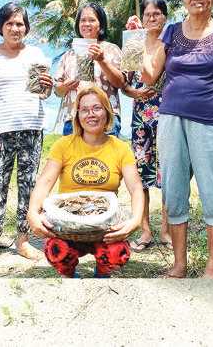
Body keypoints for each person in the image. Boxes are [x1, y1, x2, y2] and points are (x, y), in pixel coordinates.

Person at [141, 0, 213, 279]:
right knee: (173, 193)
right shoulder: (171, 31)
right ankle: (179, 265)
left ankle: (212, 269)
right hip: (171, 120)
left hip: (211, 123)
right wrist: (141, 40)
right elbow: (149, 74)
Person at [26, 85, 144, 278]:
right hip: (68, 227)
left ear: (107, 112)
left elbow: (136, 187)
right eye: (85, 109)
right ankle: (71, 278)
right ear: (78, 115)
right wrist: (32, 212)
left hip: (104, 227)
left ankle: (102, 276)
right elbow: (45, 181)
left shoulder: (120, 148)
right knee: (56, 249)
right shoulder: (63, 145)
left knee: (117, 252)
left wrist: (136, 220)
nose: (91, 114)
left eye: (97, 108)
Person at [0, 3, 53, 265]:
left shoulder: (37, 54)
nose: (15, 28)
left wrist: (48, 88)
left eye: (20, 23)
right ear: (1, 26)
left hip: (32, 128)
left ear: (26, 27)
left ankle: (23, 240)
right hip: (1, 130)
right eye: (10, 23)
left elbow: (42, 93)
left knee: (28, 187)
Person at [121, 0, 171, 251]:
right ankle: (145, 231)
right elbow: (125, 82)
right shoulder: (134, 43)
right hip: (140, 114)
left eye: (157, 14)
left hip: (167, 112)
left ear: (165, 17)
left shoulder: (170, 42)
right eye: (148, 14)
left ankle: (166, 230)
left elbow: (154, 75)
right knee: (141, 174)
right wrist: (132, 92)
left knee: (167, 173)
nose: (152, 18)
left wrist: (137, 41)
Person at [54, 2, 125, 137]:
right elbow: (57, 90)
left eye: (92, 20)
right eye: (83, 20)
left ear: (100, 24)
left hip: (106, 117)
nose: (86, 24)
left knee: (105, 159)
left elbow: (121, 83)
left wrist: (102, 60)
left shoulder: (111, 49)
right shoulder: (69, 55)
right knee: (75, 159)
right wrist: (64, 86)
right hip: (73, 119)